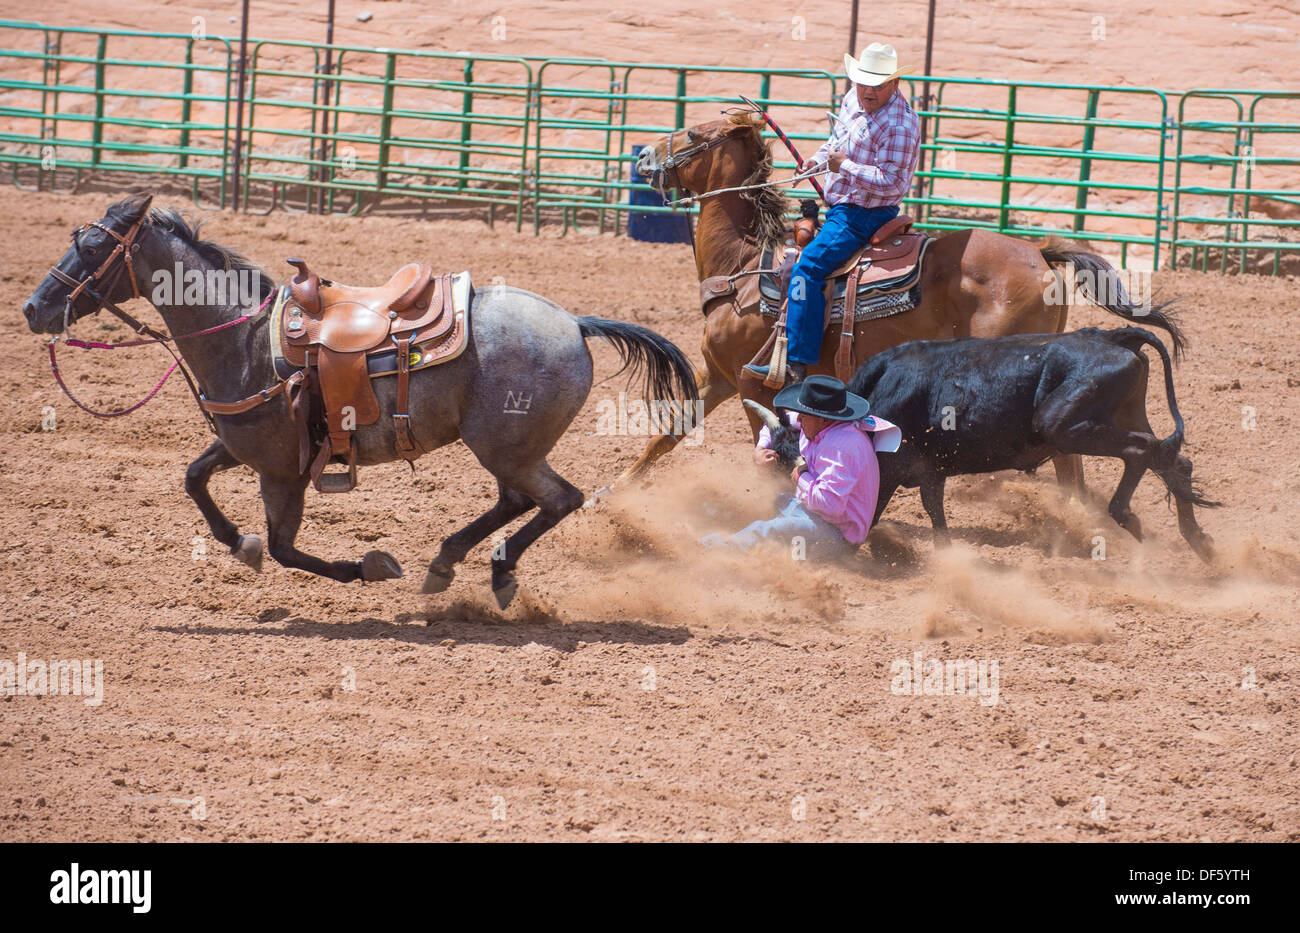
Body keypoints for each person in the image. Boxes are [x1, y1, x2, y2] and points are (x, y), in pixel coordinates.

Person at [745, 43, 921, 385]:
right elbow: (835, 142)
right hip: (842, 205)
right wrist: (818, 159)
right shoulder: (852, 101)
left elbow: (891, 183)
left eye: (877, 85)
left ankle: (795, 361)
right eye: (863, 82)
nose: (868, 90)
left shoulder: (901, 125)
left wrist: (846, 167)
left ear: (894, 85)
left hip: (866, 214)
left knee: (808, 267)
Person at [701, 376, 900, 559]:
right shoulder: (821, 424)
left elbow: (829, 505)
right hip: (809, 511)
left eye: (804, 415)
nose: (799, 419)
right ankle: (710, 523)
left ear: (823, 418)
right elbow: (779, 423)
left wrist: (801, 476)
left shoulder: (843, 447)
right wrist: (760, 449)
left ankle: (708, 550)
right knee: (754, 502)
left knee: (771, 530)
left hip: (834, 537)